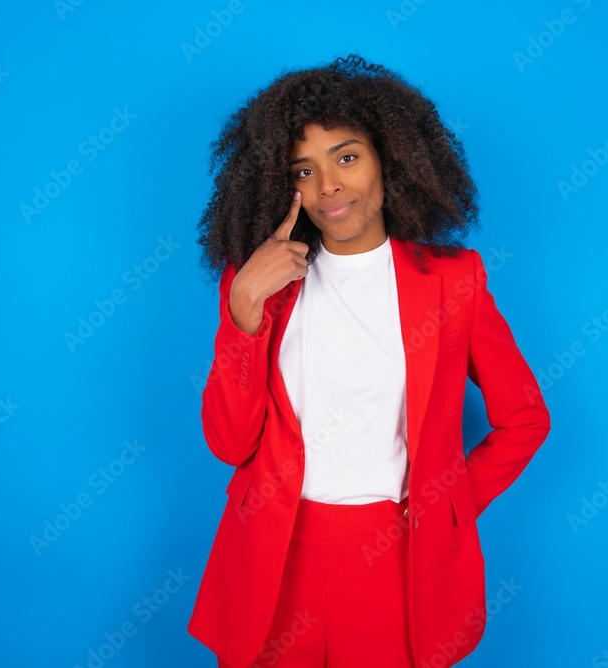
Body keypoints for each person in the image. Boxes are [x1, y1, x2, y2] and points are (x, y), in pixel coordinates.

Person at [188, 53, 551, 668]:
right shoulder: (255, 282)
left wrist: (447, 503)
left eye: (347, 157)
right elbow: (229, 443)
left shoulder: (453, 281)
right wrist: (244, 311)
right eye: (303, 170)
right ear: (284, 186)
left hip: (395, 560)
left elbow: (525, 420)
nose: (327, 184)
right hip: (276, 555)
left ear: (393, 158)